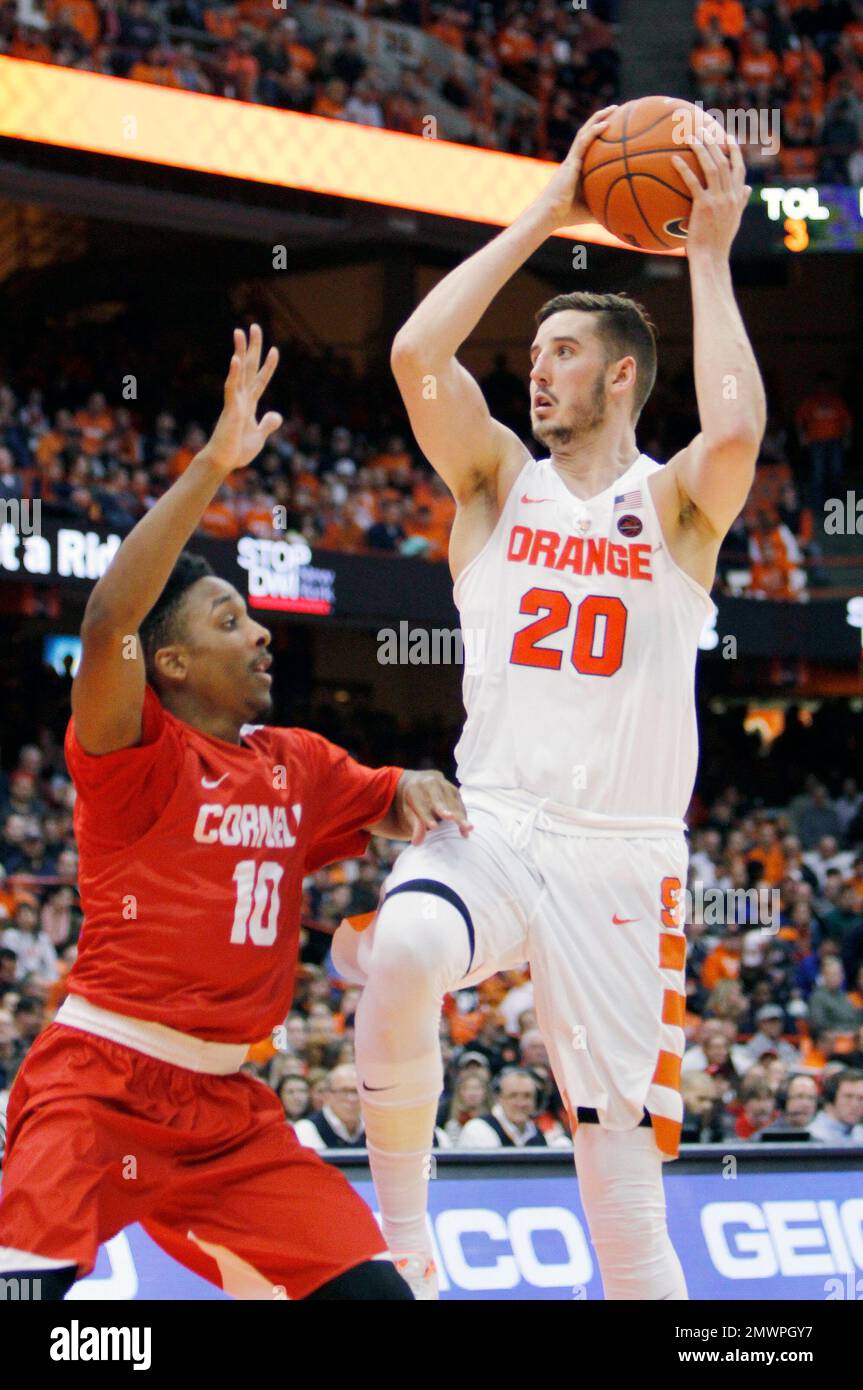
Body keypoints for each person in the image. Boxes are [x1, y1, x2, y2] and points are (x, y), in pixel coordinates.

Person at [333, 109, 765, 1299]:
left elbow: (734, 425)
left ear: (620, 375)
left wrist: (706, 254)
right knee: (403, 947)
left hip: (623, 856)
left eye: (562, 350)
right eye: (532, 351)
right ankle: (406, 1246)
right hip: (498, 821)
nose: (535, 367)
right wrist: (546, 208)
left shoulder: (674, 506)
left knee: (622, 1201)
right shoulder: (493, 484)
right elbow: (417, 357)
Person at [0, 327, 474, 1303]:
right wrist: (215, 464)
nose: (259, 632)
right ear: (169, 663)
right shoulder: (136, 757)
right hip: (98, 1081)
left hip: (225, 1110)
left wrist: (418, 787)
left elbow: (386, 798)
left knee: (376, 1298)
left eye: (250, 616)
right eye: (227, 620)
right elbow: (108, 621)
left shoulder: (297, 763)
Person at [808, 1069, 863, 1145]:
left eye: (861, 1098)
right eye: (848, 1097)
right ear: (831, 1099)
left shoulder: (859, 1134)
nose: (855, 1104)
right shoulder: (812, 1137)